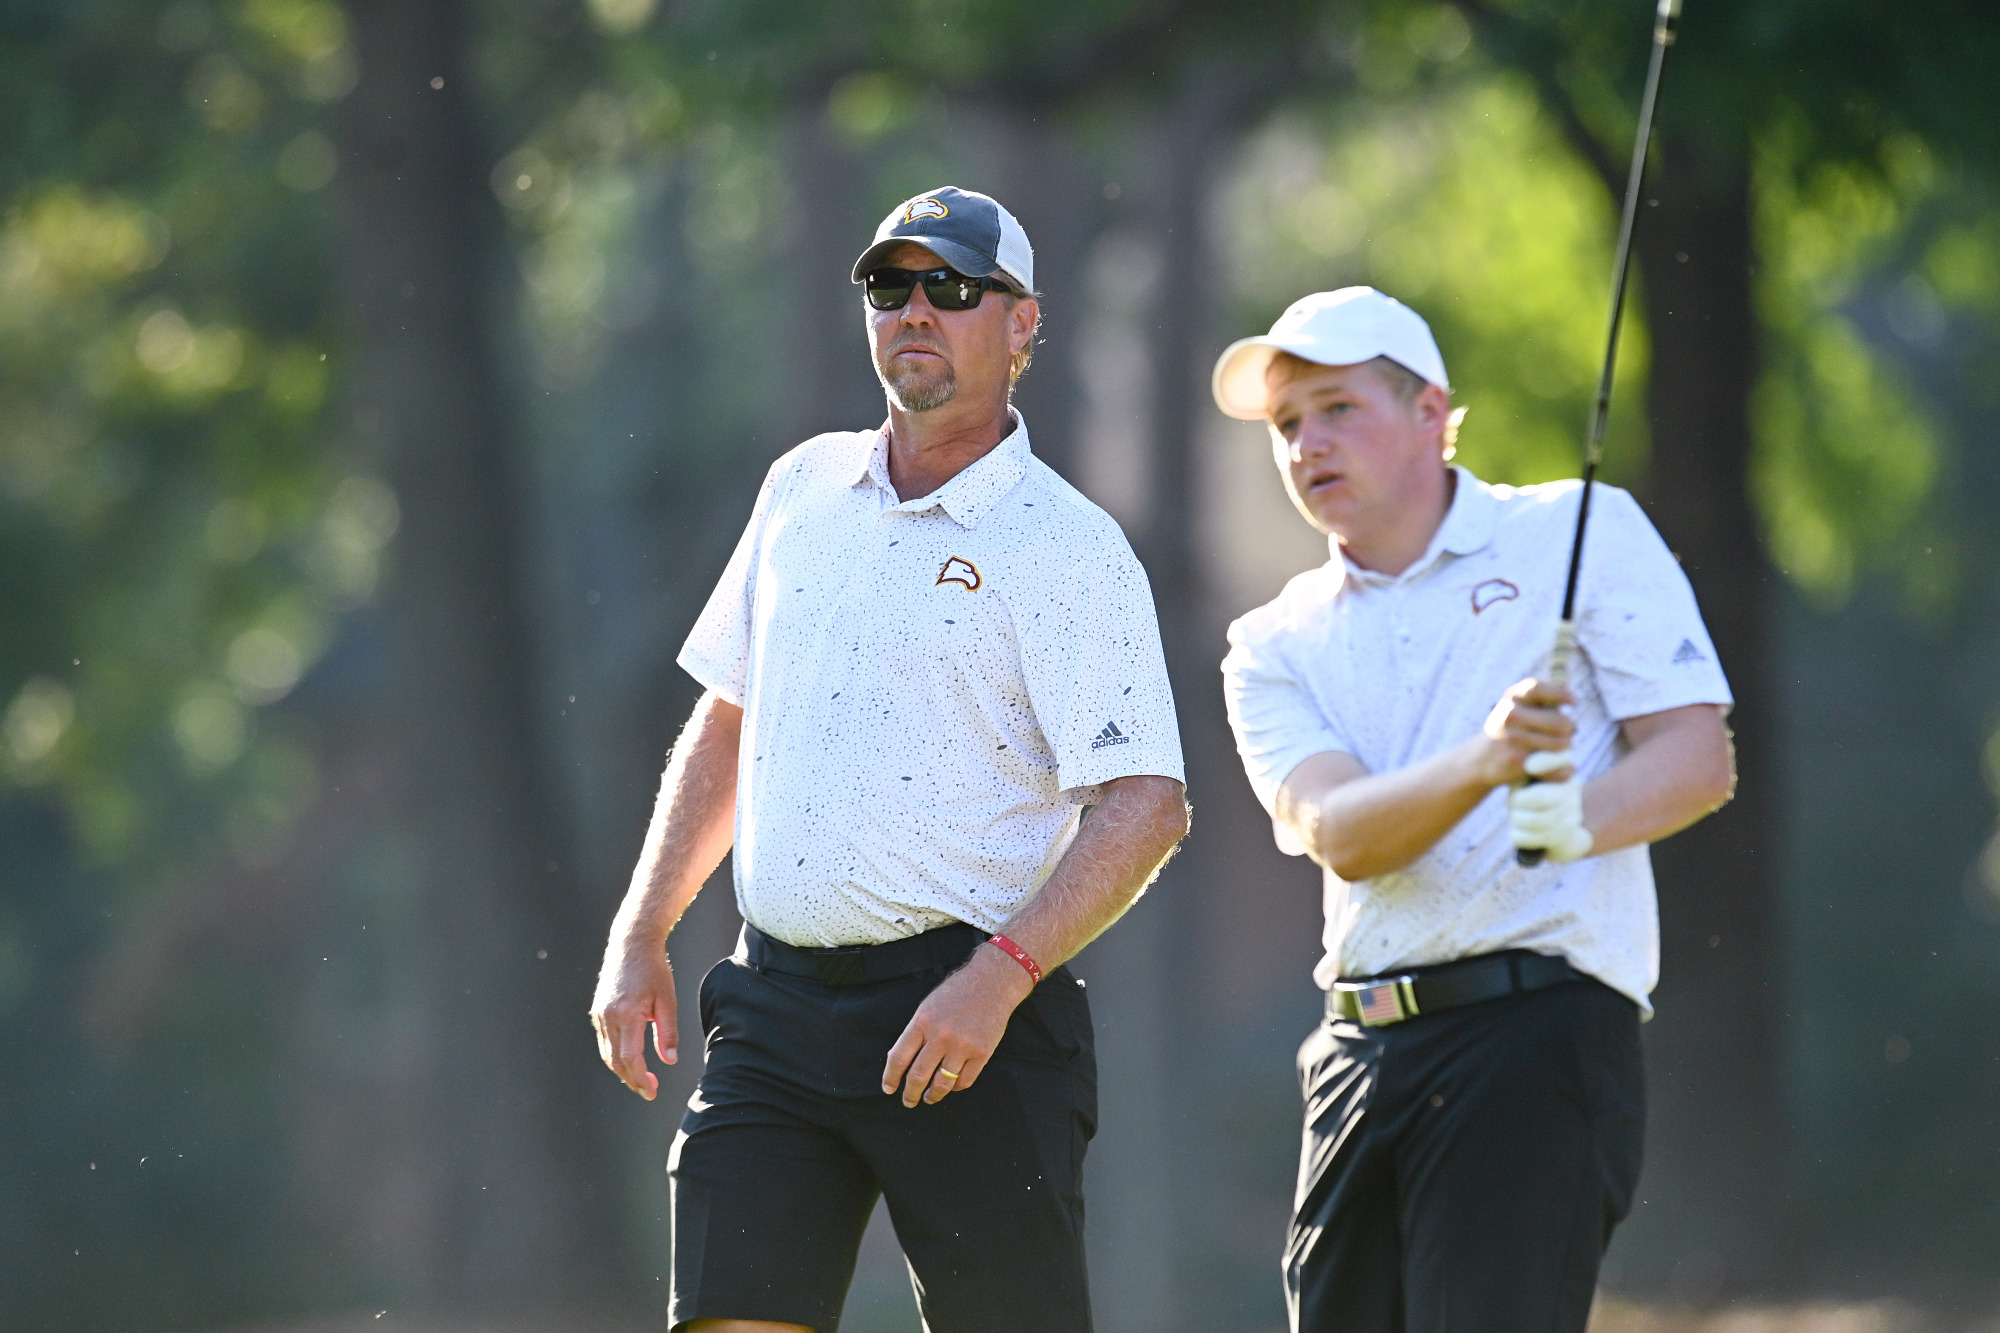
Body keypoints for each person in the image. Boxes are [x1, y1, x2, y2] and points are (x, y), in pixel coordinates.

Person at [590, 186, 1189, 1333]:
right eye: (890, 286)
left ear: (1020, 325)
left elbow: (1146, 806)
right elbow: (727, 719)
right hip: (769, 1009)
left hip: (972, 1019)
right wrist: (639, 928)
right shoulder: (799, 489)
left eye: (951, 287)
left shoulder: (1068, 548)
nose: (915, 309)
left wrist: (1001, 975)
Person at [1213, 287, 1737, 1333]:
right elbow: (1340, 835)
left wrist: (1576, 819)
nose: (1305, 444)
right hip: (1356, 1046)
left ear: (1428, 412)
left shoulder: (1576, 530)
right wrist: (1490, 763)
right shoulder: (1271, 641)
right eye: (1285, 425)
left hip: (1534, 1027)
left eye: (1335, 409)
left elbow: (1695, 756)